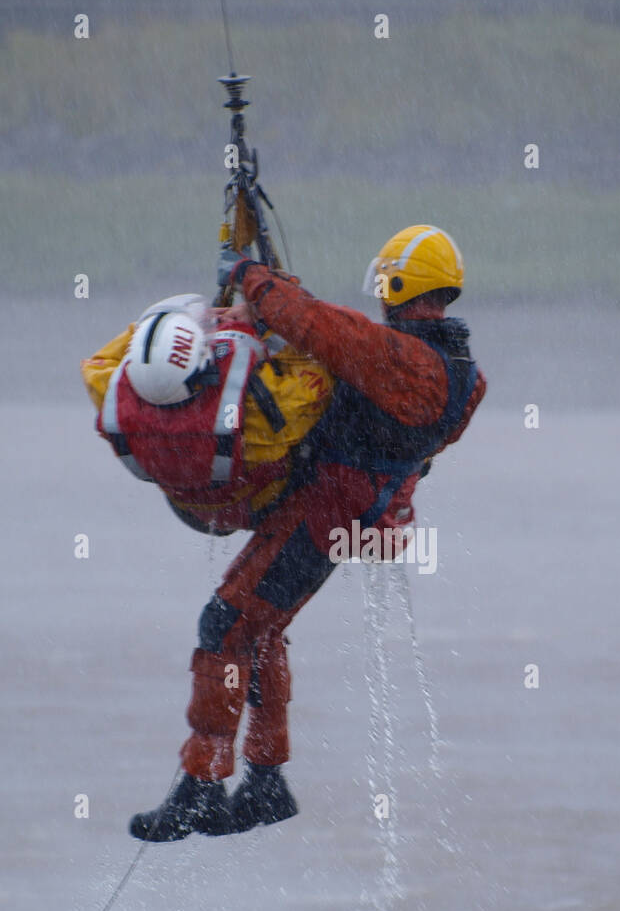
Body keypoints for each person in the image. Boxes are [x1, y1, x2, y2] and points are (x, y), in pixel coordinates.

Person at [83, 225, 485, 842]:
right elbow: (340, 341)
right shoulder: (461, 376)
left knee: (223, 627)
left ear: (401, 283)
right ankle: (267, 782)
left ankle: (202, 786)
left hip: (324, 515)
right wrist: (271, 289)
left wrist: (248, 276)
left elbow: (323, 329)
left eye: (385, 282)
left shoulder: (403, 360)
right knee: (260, 628)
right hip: (342, 514)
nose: (379, 293)